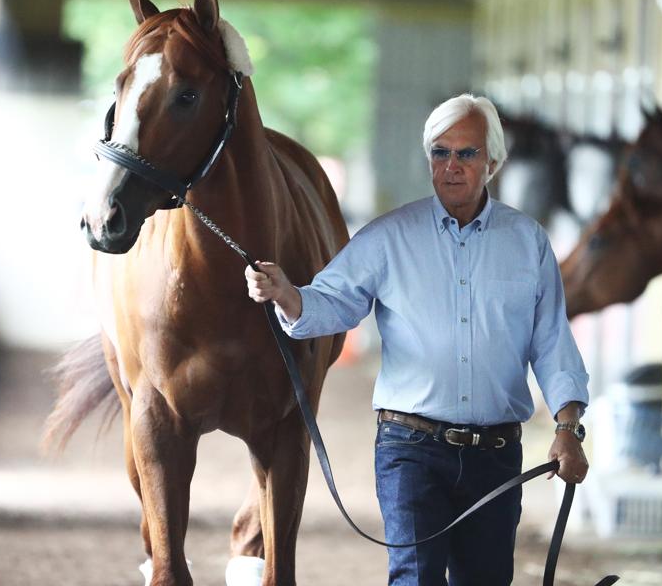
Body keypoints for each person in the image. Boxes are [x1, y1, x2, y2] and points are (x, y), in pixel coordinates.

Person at [244, 94, 589, 586]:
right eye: (440, 153)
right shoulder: (388, 238)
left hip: (496, 455)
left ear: (492, 162)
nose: (451, 167)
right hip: (411, 448)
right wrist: (286, 295)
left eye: (466, 154)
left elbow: (553, 340)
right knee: (415, 579)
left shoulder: (528, 242)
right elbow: (332, 302)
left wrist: (568, 427)